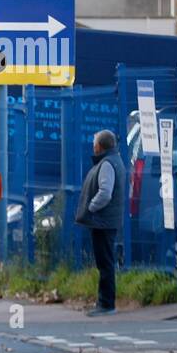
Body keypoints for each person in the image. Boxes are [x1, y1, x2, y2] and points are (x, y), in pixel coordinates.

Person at [74, 129, 126, 316]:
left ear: (100, 146)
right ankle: (103, 302)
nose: (93, 146)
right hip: (106, 221)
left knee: (105, 263)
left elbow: (105, 192)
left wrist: (91, 207)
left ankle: (106, 304)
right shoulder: (114, 160)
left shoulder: (107, 164)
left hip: (103, 221)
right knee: (105, 262)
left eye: (94, 143)